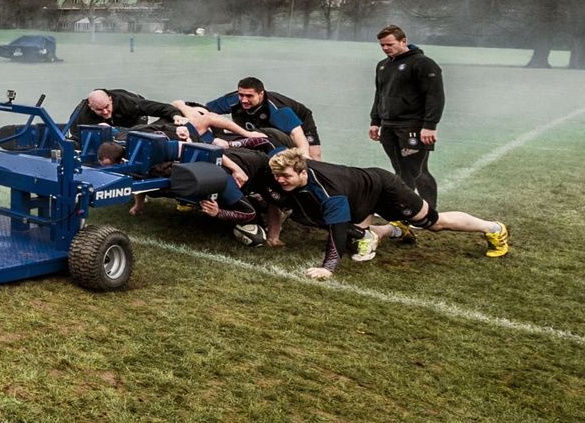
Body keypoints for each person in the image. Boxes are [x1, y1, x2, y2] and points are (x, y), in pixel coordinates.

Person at [261, 149, 507, 279]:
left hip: (384, 187)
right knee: (321, 220)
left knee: (433, 223)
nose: (281, 181)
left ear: (303, 173)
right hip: (359, 196)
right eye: (278, 177)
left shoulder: (329, 191)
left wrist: (328, 267)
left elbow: (337, 230)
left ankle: (494, 228)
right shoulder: (291, 168)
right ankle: (393, 229)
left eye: (286, 177)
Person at [369, 24, 443, 205]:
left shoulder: (422, 63)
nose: (386, 48)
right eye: (382, 45)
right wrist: (375, 121)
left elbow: (435, 96)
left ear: (404, 41)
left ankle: (428, 212)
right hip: (389, 127)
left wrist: (429, 126)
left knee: (416, 171)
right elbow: (380, 94)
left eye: (390, 44)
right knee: (399, 169)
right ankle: (407, 208)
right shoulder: (382, 66)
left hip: (413, 127)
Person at [204, 78, 322, 158]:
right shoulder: (233, 100)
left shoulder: (277, 109)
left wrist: (305, 158)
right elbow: (206, 109)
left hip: (300, 121)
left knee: (313, 156)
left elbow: (296, 134)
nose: (244, 100)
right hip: (260, 126)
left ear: (261, 94)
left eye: (249, 96)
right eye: (241, 95)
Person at [71, 88, 175, 130]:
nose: (105, 112)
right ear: (91, 107)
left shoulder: (127, 103)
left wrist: (175, 115)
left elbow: (160, 107)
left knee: (136, 133)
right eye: (99, 109)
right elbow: (76, 136)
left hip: (132, 115)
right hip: (111, 123)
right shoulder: (82, 116)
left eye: (107, 107)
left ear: (110, 100)